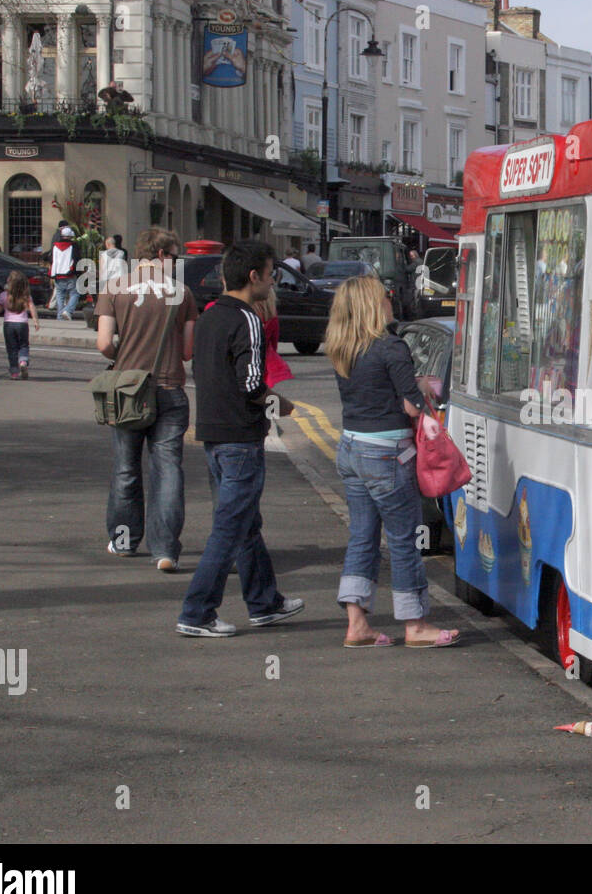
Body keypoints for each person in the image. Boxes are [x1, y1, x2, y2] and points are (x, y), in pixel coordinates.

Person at [326, 275, 460, 649]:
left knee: (362, 537)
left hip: (351, 448)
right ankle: (415, 625)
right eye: (384, 296)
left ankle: (357, 624)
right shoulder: (391, 347)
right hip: (387, 452)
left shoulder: (343, 348)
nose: (390, 300)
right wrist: (422, 387)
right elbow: (410, 406)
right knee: (403, 539)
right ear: (373, 304)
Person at [178, 240, 304, 637]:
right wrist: (278, 404)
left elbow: (205, 372)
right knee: (230, 527)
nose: (273, 281)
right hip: (241, 436)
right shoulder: (247, 318)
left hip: (213, 432)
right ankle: (197, 611)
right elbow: (251, 383)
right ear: (254, 277)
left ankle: (265, 602)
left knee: (245, 521)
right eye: (271, 273)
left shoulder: (210, 315)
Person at [96, 227, 199, 571]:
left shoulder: (114, 288)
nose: (176, 262)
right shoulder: (181, 293)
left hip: (128, 391)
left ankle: (124, 541)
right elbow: (187, 352)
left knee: (126, 468)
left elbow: (104, 344)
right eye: (174, 255)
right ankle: (166, 550)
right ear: (159, 254)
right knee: (168, 470)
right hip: (170, 390)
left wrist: (126, 351)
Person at [0, 270, 39, 379]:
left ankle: (14, 372)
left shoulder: (4, 295)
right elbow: (32, 307)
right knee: (23, 345)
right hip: (22, 324)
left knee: (12, 348)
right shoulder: (26, 296)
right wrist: (35, 320)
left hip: (8, 324)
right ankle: (23, 361)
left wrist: (0, 305)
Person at [45, 223, 82, 319]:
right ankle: (68, 310)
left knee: (60, 295)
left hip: (57, 274)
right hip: (69, 274)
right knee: (75, 294)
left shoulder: (55, 246)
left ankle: (60, 316)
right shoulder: (74, 246)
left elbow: (52, 259)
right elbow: (77, 259)